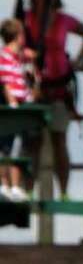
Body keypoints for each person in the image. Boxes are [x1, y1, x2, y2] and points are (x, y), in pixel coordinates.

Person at [24, 0, 83, 196]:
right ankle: (28, 188)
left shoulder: (63, 20)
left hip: (59, 87)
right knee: (33, 141)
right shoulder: (26, 18)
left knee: (60, 139)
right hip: (35, 87)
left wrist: (78, 60)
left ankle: (64, 191)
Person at [0, 17, 35, 202]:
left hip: (22, 106)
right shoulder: (5, 56)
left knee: (16, 148)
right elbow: (5, 81)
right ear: (19, 36)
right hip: (11, 108)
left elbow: (21, 81)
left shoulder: (18, 59)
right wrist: (12, 102)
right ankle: (5, 185)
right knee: (6, 148)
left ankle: (14, 186)